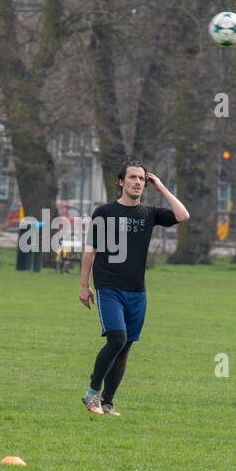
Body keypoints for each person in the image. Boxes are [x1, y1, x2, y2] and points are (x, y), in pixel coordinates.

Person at [79, 159, 190, 415]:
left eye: (141, 179)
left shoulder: (149, 214)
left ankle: (107, 402)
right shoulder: (104, 212)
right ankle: (92, 393)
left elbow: (183, 215)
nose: (137, 182)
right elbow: (90, 251)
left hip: (137, 291)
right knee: (117, 338)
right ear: (121, 182)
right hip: (109, 287)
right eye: (132, 178)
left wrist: (161, 187)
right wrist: (85, 285)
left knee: (125, 346)